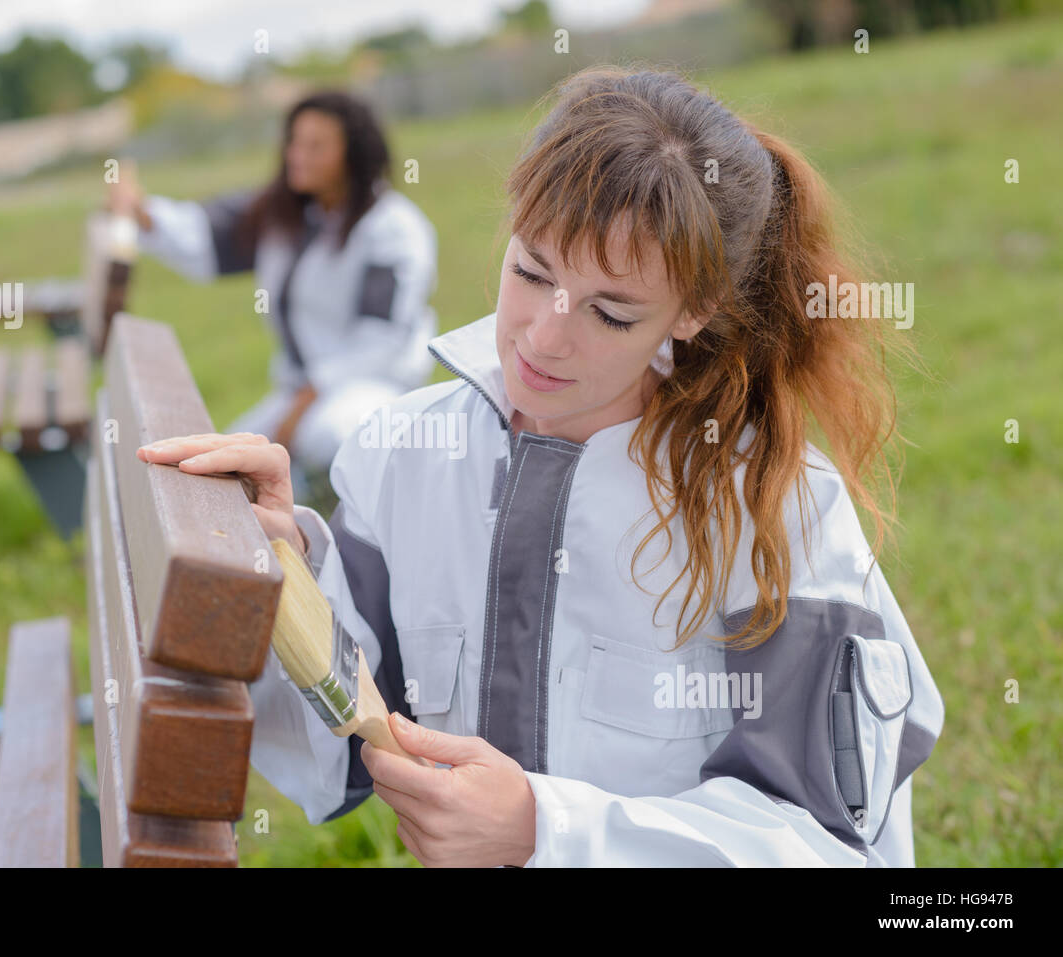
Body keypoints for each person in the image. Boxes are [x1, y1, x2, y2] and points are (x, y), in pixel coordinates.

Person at [137, 67, 944, 867]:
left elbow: (833, 850)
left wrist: (546, 829)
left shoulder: (777, 507)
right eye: (531, 271)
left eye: (610, 310)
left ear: (695, 311)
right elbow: (342, 754)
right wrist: (284, 563)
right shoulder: (401, 453)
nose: (544, 337)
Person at [108, 91, 438, 499]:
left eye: (316, 146)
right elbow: (203, 235)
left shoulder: (392, 229)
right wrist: (142, 212)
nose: (298, 155)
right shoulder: (284, 214)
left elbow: (380, 343)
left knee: (331, 434)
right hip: (298, 392)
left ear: (353, 154)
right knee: (217, 464)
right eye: (294, 142)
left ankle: (346, 518)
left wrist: (303, 407)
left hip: (370, 389)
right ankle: (290, 507)